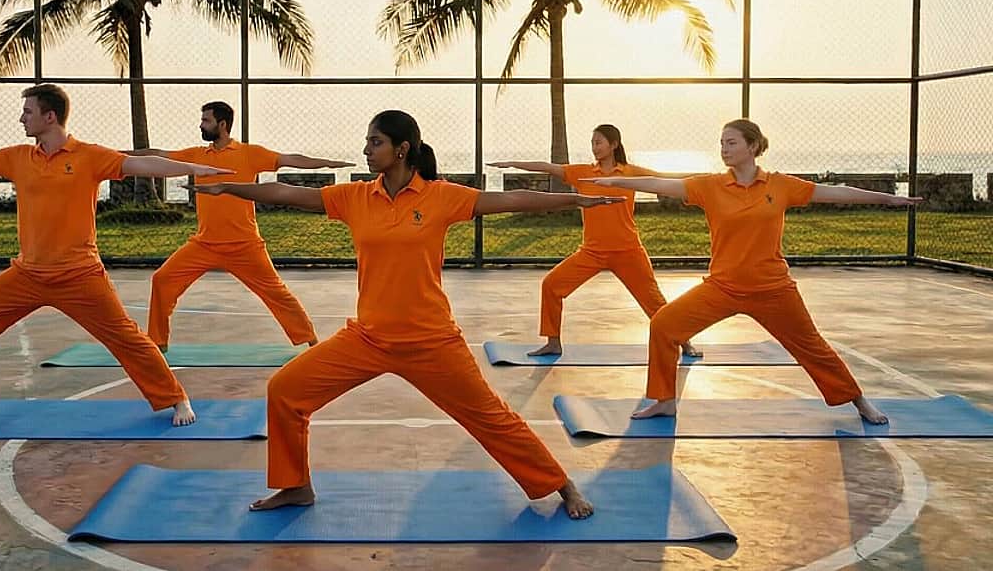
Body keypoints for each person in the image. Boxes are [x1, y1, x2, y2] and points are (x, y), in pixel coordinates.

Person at [197, 110, 624, 518]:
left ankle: (562, 485)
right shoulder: (356, 197)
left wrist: (577, 200)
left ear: (401, 150)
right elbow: (289, 193)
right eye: (367, 141)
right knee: (285, 390)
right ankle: (295, 486)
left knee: (493, 419)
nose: (366, 149)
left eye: (375, 141)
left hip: (431, 341)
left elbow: (508, 198)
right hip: (367, 338)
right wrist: (232, 188)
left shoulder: (440, 197)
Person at [0, 83, 232, 426]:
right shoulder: (18, 158)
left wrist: (194, 169)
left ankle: (175, 397)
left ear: (50, 117)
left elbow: (144, 165)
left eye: (27, 112)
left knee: (127, 338)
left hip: (79, 275)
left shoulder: (89, 156)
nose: (21, 119)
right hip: (27, 275)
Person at [587, 118, 921, 424]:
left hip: (772, 288)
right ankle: (663, 399)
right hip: (723, 287)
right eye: (721, 143)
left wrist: (887, 199)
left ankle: (859, 401)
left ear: (752, 146)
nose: (724, 150)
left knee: (812, 347)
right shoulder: (711, 186)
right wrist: (617, 179)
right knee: (663, 325)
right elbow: (663, 185)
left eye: (731, 143)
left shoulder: (780, 185)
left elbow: (834, 193)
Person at [129, 102, 349, 351]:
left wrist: (328, 163)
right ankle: (158, 342)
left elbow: (289, 159)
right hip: (204, 244)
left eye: (206, 121)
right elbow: (159, 154)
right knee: (162, 280)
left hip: (245, 245)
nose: (201, 125)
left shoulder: (249, 153)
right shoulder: (198, 155)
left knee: (277, 294)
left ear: (222, 125)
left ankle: (310, 341)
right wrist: (116, 155)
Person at [489, 123, 700, 357]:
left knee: (654, 302)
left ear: (614, 145)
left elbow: (667, 179)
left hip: (628, 251)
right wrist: (512, 163)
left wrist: (714, 181)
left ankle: (684, 341)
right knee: (551, 285)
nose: (594, 147)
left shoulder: (630, 173)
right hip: (591, 252)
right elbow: (548, 167)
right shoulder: (583, 173)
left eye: (599, 142)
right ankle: (553, 342)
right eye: (592, 143)